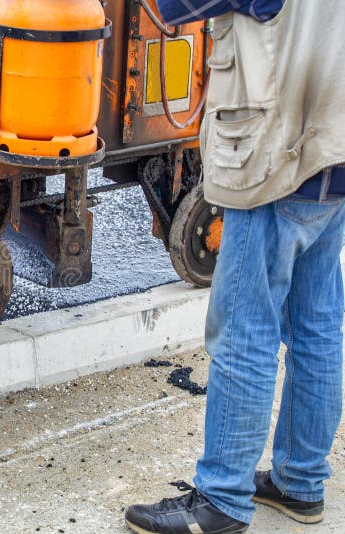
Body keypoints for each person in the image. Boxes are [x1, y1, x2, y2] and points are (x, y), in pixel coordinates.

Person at [124, 1, 345, 533]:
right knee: (317, 326)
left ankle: (221, 500)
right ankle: (301, 483)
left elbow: (171, 9)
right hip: (333, 151)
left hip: (276, 157)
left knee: (245, 333)